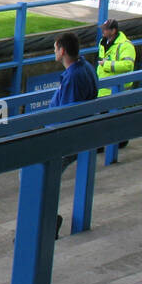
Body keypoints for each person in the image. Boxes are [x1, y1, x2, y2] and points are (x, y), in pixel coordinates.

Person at [49, 31, 99, 237]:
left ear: (62, 50)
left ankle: (46, 222)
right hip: (82, 132)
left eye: (54, 48)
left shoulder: (73, 76)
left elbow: (67, 116)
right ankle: (47, 220)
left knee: (34, 174)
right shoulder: (85, 67)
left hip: (68, 139)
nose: (53, 51)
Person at [96, 18, 136, 151]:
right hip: (103, 89)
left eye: (105, 29)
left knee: (115, 118)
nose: (103, 31)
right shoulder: (103, 43)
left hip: (117, 89)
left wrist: (106, 65)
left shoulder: (125, 45)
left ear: (113, 31)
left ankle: (120, 142)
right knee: (102, 119)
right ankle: (101, 144)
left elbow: (128, 65)